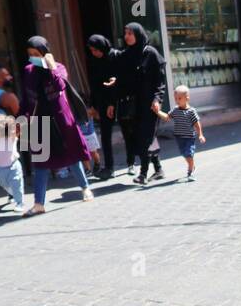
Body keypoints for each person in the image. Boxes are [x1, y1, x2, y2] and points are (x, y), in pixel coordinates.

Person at [18, 35, 94, 215]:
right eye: (30, 54)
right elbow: (26, 98)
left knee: (73, 156)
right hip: (40, 122)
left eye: (36, 53)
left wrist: (51, 67)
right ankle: (39, 204)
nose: (33, 57)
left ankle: (85, 188)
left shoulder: (58, 67)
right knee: (40, 163)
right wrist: (21, 118)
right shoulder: (29, 71)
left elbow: (60, 85)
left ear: (45, 52)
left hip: (61, 121)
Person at [116, 22, 166, 184]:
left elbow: (160, 81)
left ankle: (143, 173)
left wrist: (157, 99)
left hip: (150, 104)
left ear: (138, 34)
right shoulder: (128, 54)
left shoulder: (150, 53)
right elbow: (124, 78)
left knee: (146, 136)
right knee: (143, 137)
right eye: (126, 33)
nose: (127, 37)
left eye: (130, 33)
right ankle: (158, 169)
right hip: (134, 105)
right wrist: (114, 82)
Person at [86, 34, 127, 180]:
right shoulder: (94, 61)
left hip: (118, 100)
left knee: (127, 131)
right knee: (105, 135)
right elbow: (95, 84)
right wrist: (92, 105)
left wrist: (112, 102)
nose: (94, 53)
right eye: (92, 50)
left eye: (96, 50)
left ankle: (131, 162)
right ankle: (109, 167)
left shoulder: (114, 57)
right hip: (103, 102)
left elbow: (119, 81)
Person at [156, 84, 205, 180]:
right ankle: (192, 165)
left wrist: (200, 135)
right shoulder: (175, 110)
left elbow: (197, 124)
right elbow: (167, 117)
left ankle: (191, 171)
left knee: (189, 153)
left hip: (189, 137)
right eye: (175, 99)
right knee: (184, 153)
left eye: (179, 98)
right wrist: (158, 112)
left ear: (187, 98)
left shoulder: (191, 111)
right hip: (179, 137)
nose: (177, 101)